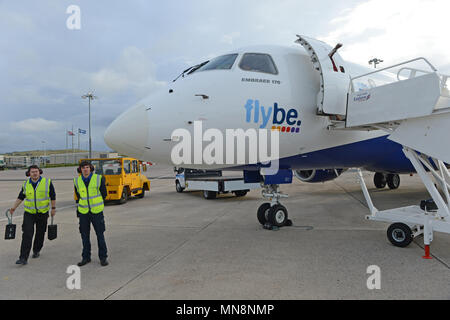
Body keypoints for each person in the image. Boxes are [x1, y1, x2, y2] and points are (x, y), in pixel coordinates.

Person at [10, 165, 56, 265]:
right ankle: (23, 258)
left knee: (40, 233)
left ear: (40, 172)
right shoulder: (26, 184)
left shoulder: (47, 182)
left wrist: (53, 208)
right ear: (29, 173)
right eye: (32, 172)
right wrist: (14, 207)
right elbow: (21, 196)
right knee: (27, 234)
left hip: (42, 213)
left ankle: (36, 250)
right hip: (29, 213)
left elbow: (53, 196)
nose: (35, 173)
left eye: (36, 171)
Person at [74, 160, 109, 267]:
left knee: (100, 235)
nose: (85, 169)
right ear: (80, 169)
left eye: (87, 167)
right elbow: (79, 196)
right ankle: (86, 257)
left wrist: (96, 204)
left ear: (91, 168)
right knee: (84, 236)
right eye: (83, 168)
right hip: (83, 212)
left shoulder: (98, 178)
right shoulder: (77, 181)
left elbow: (104, 194)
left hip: (96, 212)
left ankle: (103, 258)